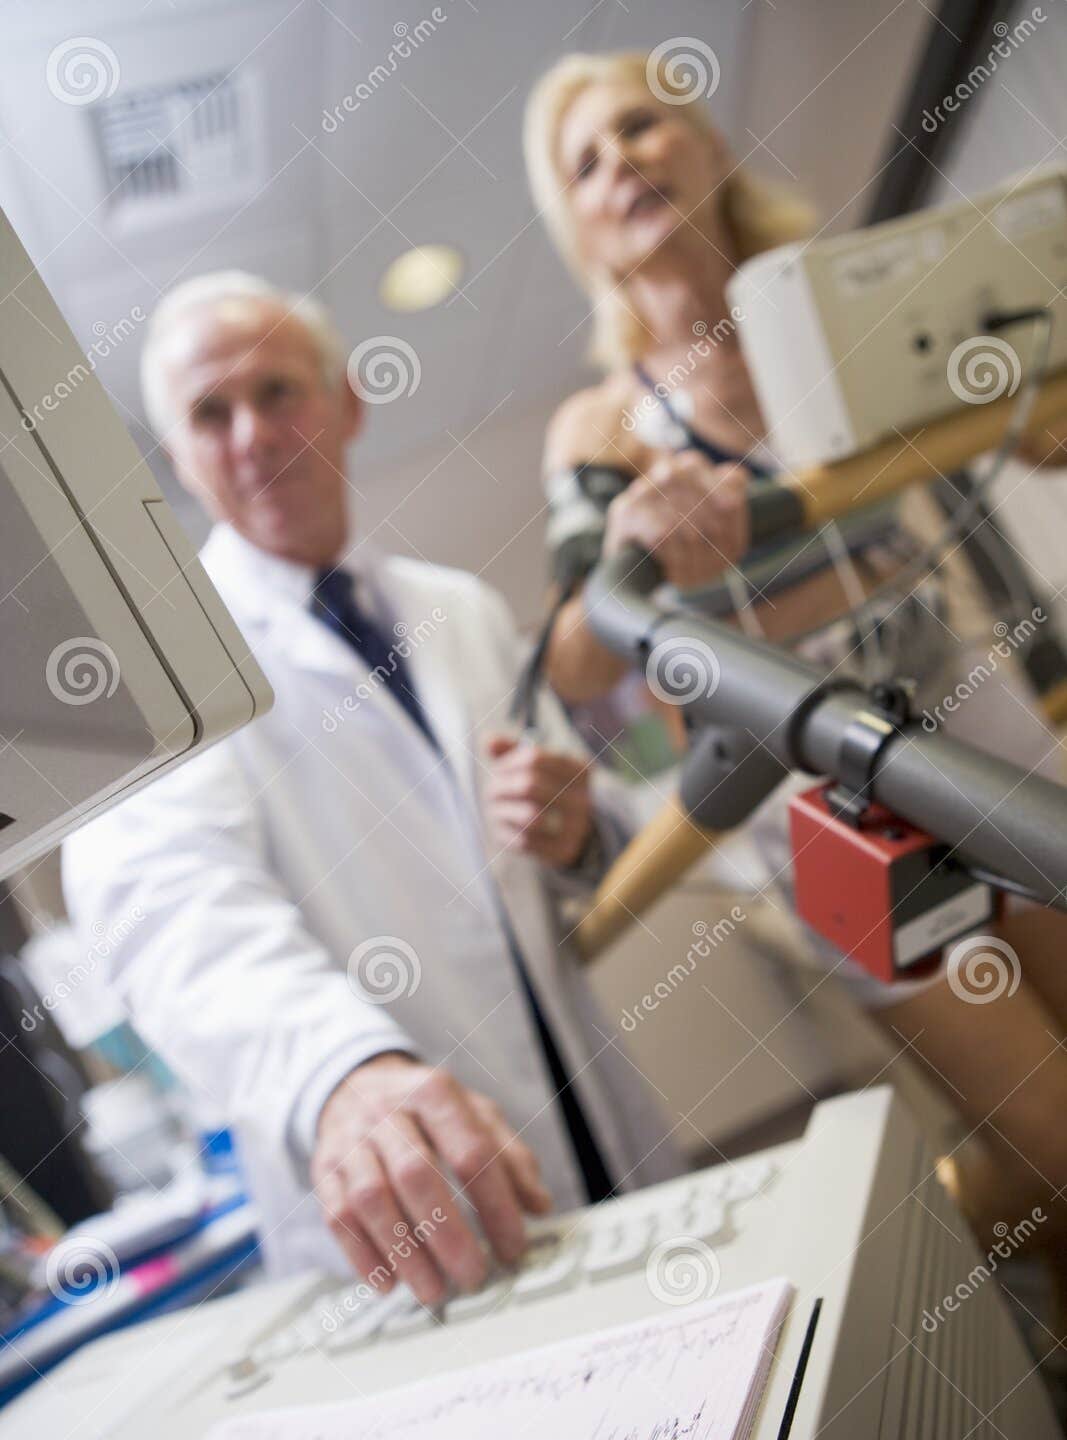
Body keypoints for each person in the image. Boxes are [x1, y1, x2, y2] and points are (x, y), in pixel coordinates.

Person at [523, 49, 1067, 1260]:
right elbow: (570, 663)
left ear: (710, 148)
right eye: (585, 163)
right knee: (1046, 1130)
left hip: (955, 707)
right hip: (811, 786)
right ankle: (995, 1206)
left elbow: (1025, 430)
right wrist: (628, 539)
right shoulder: (601, 425)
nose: (622, 164)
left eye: (642, 128)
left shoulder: (834, 321)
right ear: (583, 233)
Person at [61, 272, 683, 1301]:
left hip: (592, 1121)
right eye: (209, 414)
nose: (252, 434)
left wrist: (576, 830)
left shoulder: (460, 609)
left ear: (346, 403)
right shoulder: (160, 665)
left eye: (277, 391)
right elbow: (168, 904)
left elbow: (576, 846)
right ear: (177, 455)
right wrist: (336, 1072)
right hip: (404, 1193)